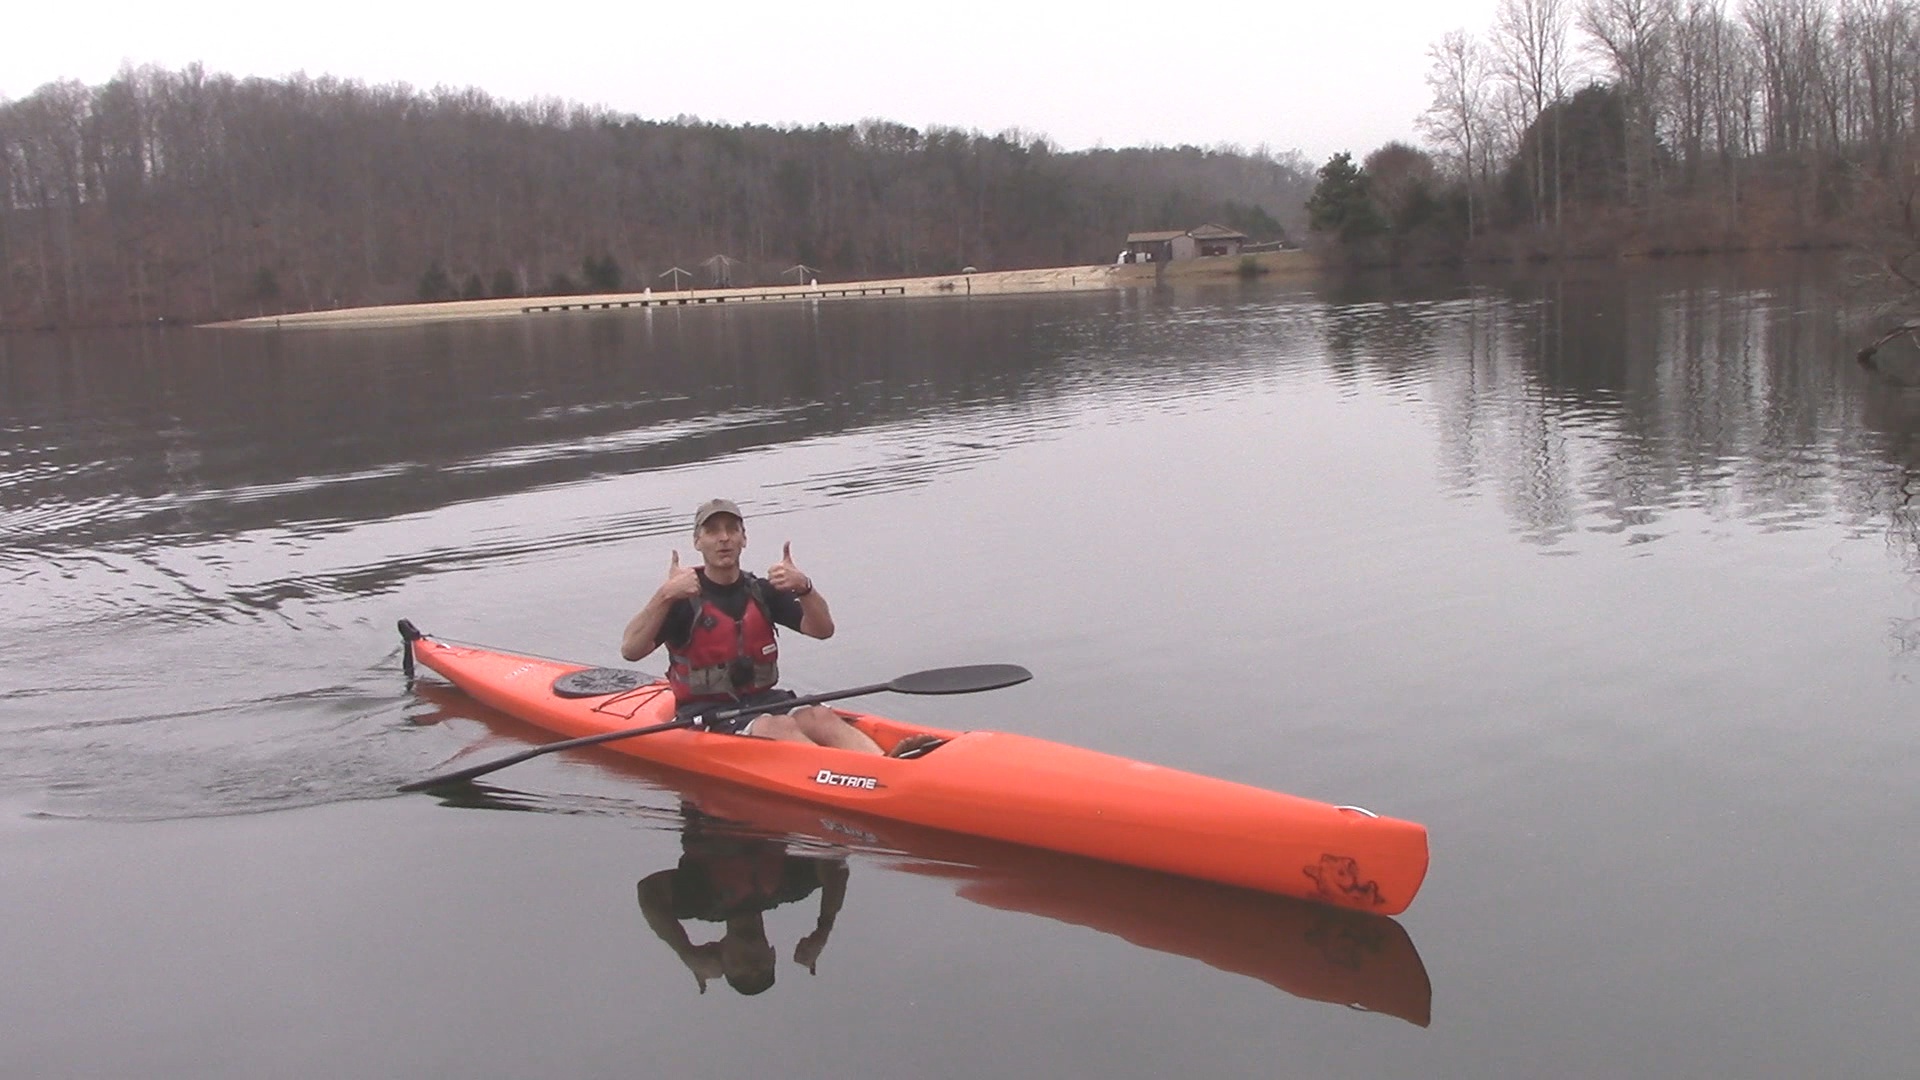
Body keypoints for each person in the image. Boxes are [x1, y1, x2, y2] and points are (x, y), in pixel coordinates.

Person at [622, 497, 917, 754]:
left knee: (819, 717)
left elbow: (823, 630)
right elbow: (630, 650)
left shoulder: (762, 591)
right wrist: (664, 595)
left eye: (731, 530)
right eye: (712, 531)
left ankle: (887, 765)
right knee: (777, 726)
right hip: (706, 713)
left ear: (743, 539)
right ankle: (853, 776)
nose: (723, 538)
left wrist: (805, 588)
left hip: (763, 700)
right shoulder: (682, 599)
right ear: (697, 542)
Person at [637, 805, 850, 996]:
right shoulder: (789, 888)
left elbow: (649, 891)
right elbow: (834, 861)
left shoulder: (704, 901)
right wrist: (823, 929)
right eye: (760, 962)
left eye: (740, 962)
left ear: (720, 952)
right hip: (764, 797)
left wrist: (686, 951)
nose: (751, 958)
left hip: (708, 799)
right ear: (772, 954)